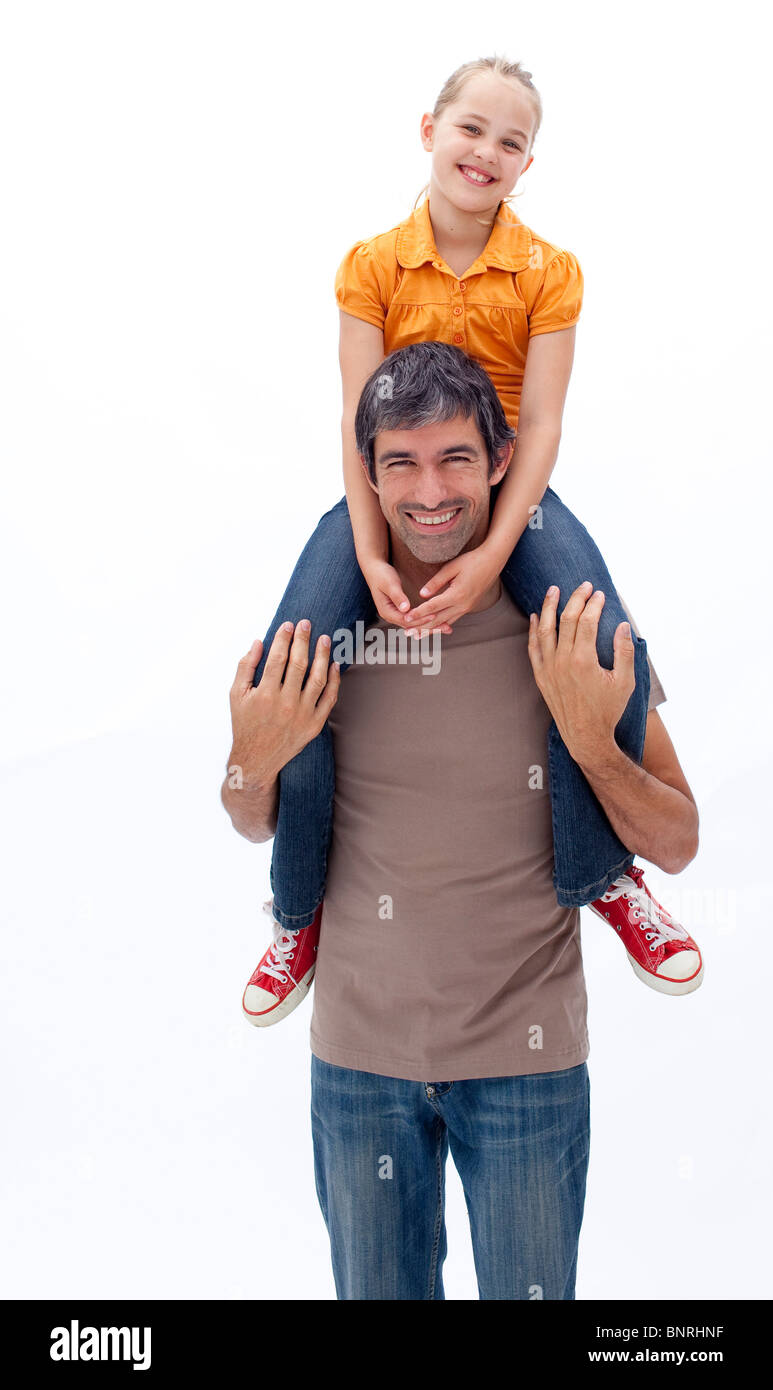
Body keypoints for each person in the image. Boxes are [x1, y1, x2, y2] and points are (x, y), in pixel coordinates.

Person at [220, 342, 701, 1298]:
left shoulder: (565, 625)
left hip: (527, 1065)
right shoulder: (328, 631)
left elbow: (678, 838)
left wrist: (590, 738)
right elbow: (250, 814)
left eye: (454, 460)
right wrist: (253, 755)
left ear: (500, 461)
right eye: (400, 462)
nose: (429, 491)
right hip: (359, 1064)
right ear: (367, 474)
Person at [240, 53, 703, 1024]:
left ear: (528, 163)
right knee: (299, 659)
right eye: (470, 128)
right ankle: (296, 912)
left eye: (511, 140)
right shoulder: (370, 263)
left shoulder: (549, 272)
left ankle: (606, 875)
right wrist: (368, 554)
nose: (486, 150)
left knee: (599, 633)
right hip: (390, 493)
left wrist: (495, 553)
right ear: (427, 130)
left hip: (505, 496)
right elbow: (353, 421)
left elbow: (537, 427)